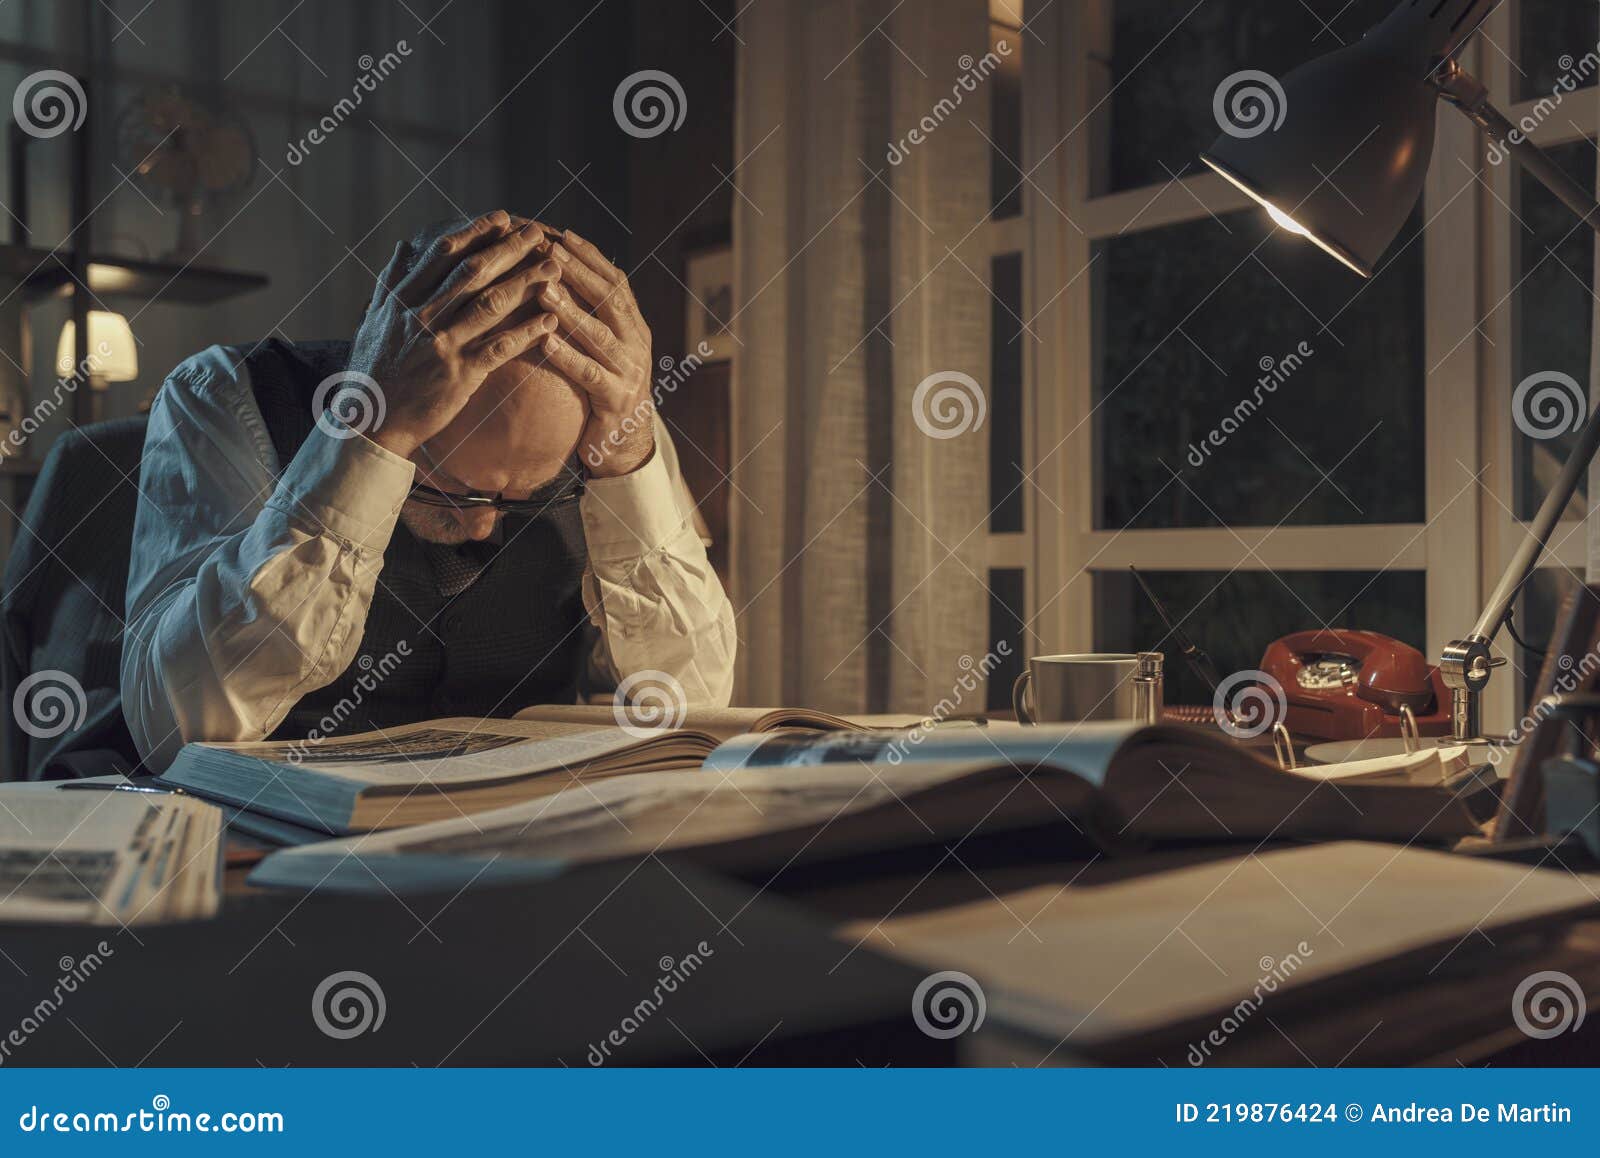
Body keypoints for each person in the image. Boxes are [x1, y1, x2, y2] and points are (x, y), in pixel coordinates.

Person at [122, 210, 735, 770]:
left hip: (514, 836)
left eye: (533, 492)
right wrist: (368, 439)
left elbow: (688, 703)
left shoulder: (608, 424)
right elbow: (177, 730)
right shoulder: (223, 395)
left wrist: (628, 463)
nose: (483, 528)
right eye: (445, 490)